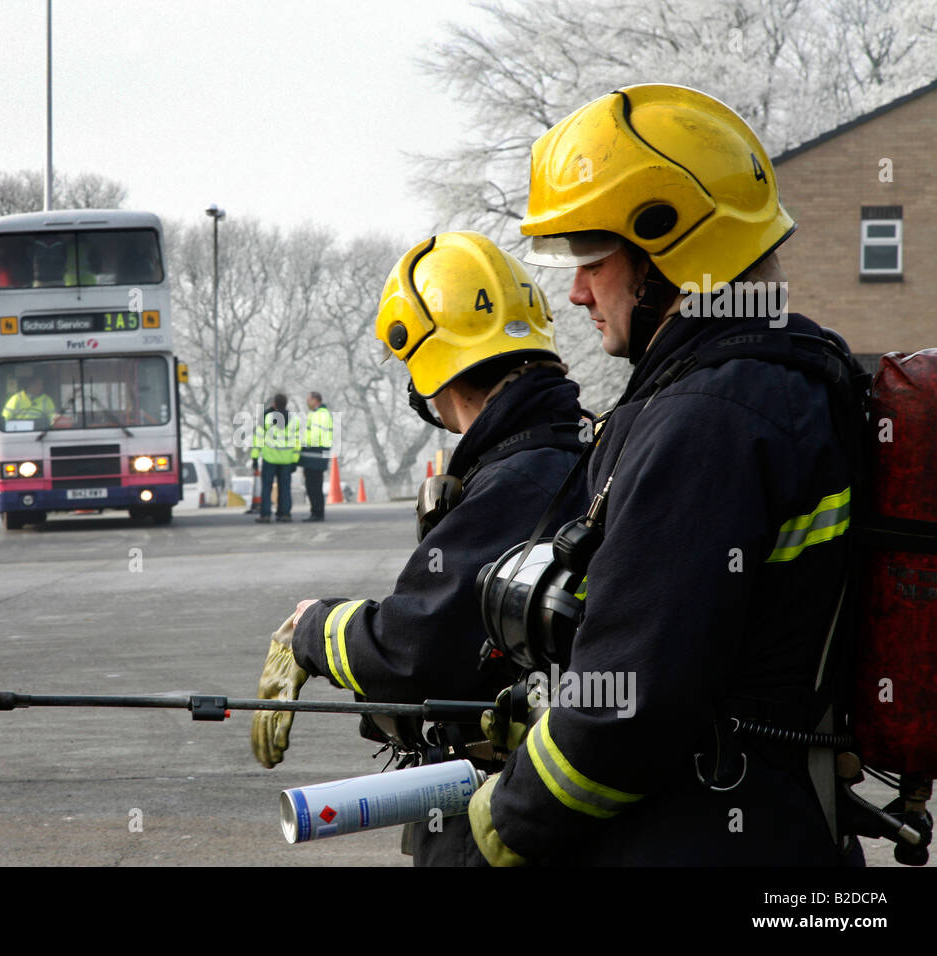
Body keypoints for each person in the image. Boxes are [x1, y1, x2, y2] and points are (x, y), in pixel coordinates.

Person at [468, 84, 862, 866]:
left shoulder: (710, 419)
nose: (577, 291)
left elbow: (629, 706)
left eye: (592, 259)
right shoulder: (784, 377)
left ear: (668, 244)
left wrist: (500, 824)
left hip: (697, 836)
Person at [252, 232, 589, 865]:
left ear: (429, 366)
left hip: (501, 810)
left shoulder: (514, 478)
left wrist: (311, 628)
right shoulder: (576, 451)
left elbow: (413, 649)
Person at [249, 394, 300, 523]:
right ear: (286, 404)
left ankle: (265, 515)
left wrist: (255, 458)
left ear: (274, 404)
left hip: (270, 458)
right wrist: (295, 460)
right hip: (287, 460)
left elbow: (258, 439)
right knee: (285, 488)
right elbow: (298, 442)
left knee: (267, 488)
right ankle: (285, 514)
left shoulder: (267, 418)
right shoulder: (294, 419)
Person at [299, 392, 333, 521]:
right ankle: (317, 512)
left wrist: (304, 446)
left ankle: (317, 513)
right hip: (318, 455)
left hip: (315, 455)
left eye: (309, 400)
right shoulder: (321, 414)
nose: (307, 402)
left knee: (313, 486)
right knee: (315, 486)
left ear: (315, 400)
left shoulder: (319, 415)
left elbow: (314, 435)